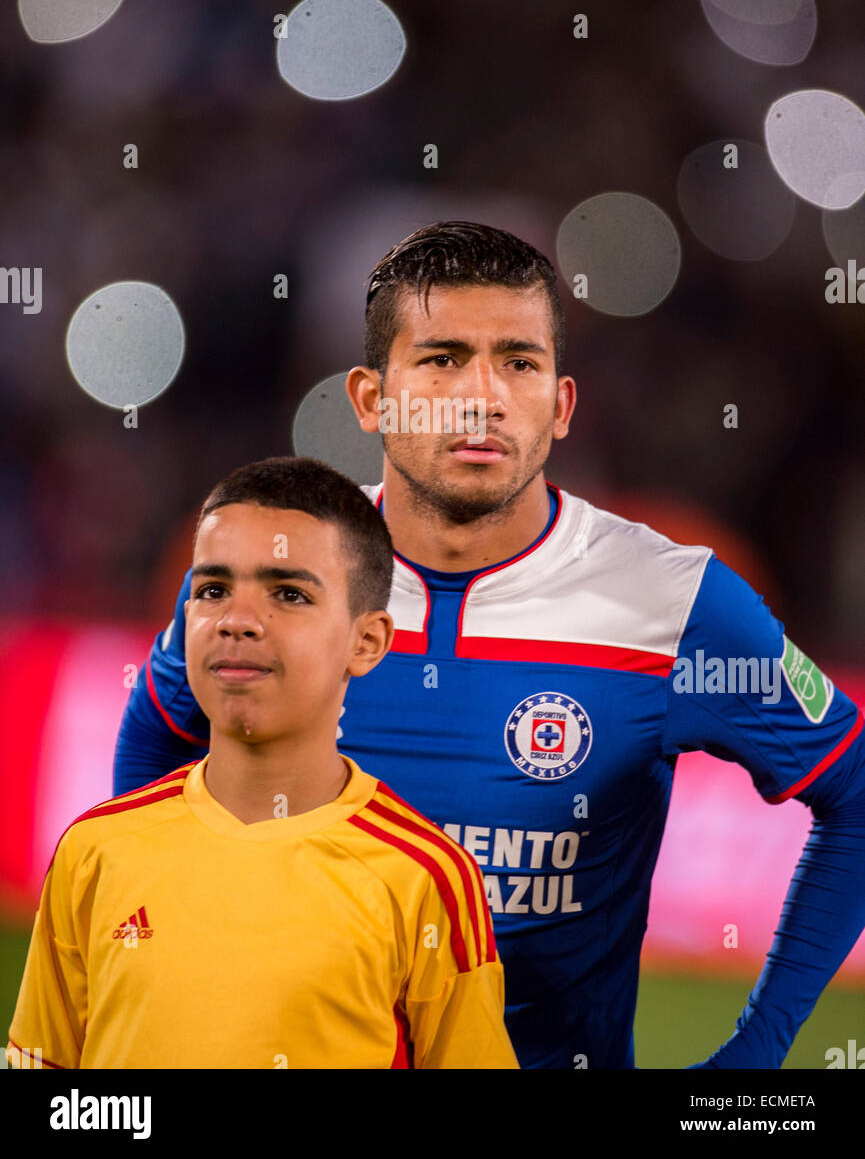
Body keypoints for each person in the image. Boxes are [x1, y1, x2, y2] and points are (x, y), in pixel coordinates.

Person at [113, 221, 865, 1069]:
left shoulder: (671, 599)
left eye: (518, 361)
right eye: (440, 359)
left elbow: (854, 787)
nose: (483, 395)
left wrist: (753, 1056)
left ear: (561, 403)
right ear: (369, 399)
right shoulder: (270, 567)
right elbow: (156, 729)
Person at [7, 456, 518, 1070]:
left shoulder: (427, 877)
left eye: (288, 593)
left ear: (368, 641)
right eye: (213, 589)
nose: (238, 621)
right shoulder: (93, 850)